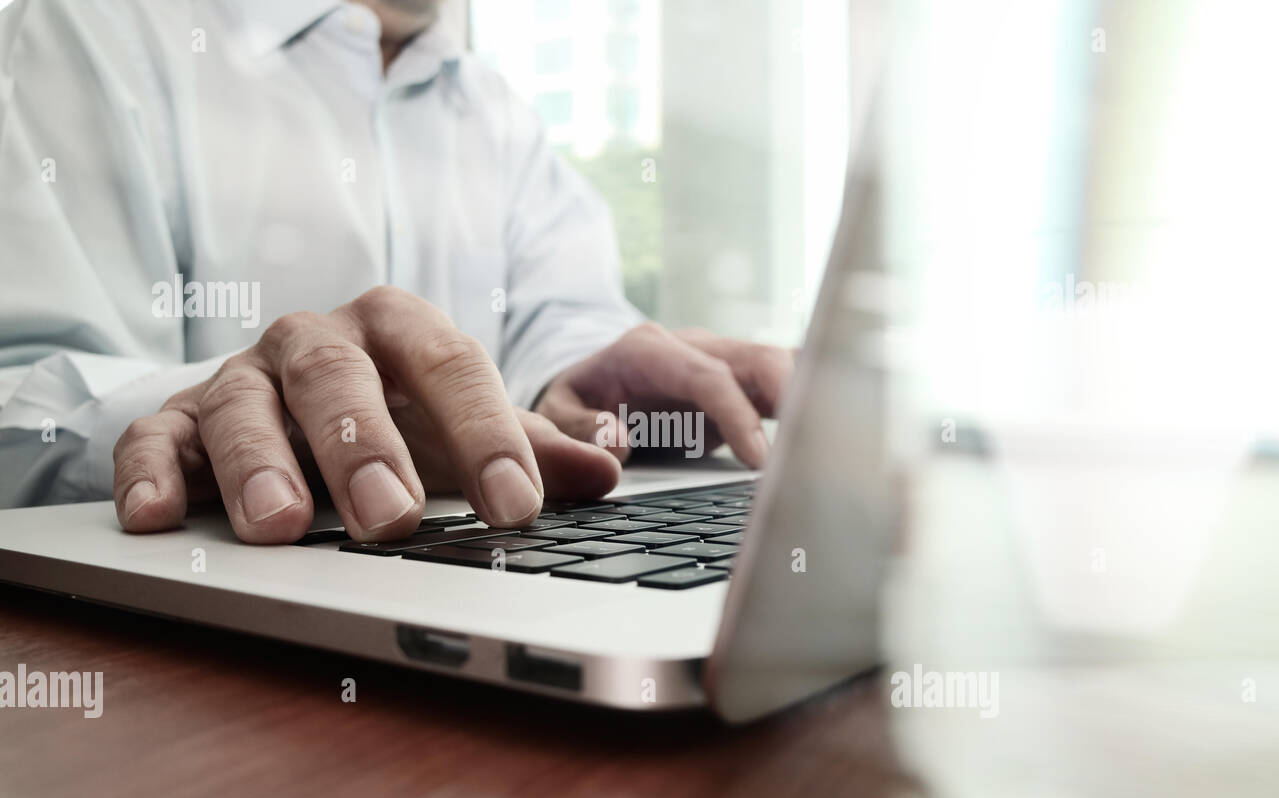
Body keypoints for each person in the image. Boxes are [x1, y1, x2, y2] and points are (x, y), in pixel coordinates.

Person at [0, 0, 793, 542]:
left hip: (480, 553)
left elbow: (559, 314)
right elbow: (19, 405)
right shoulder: (91, 30)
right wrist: (240, 411)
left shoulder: (495, 109)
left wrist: (576, 372)